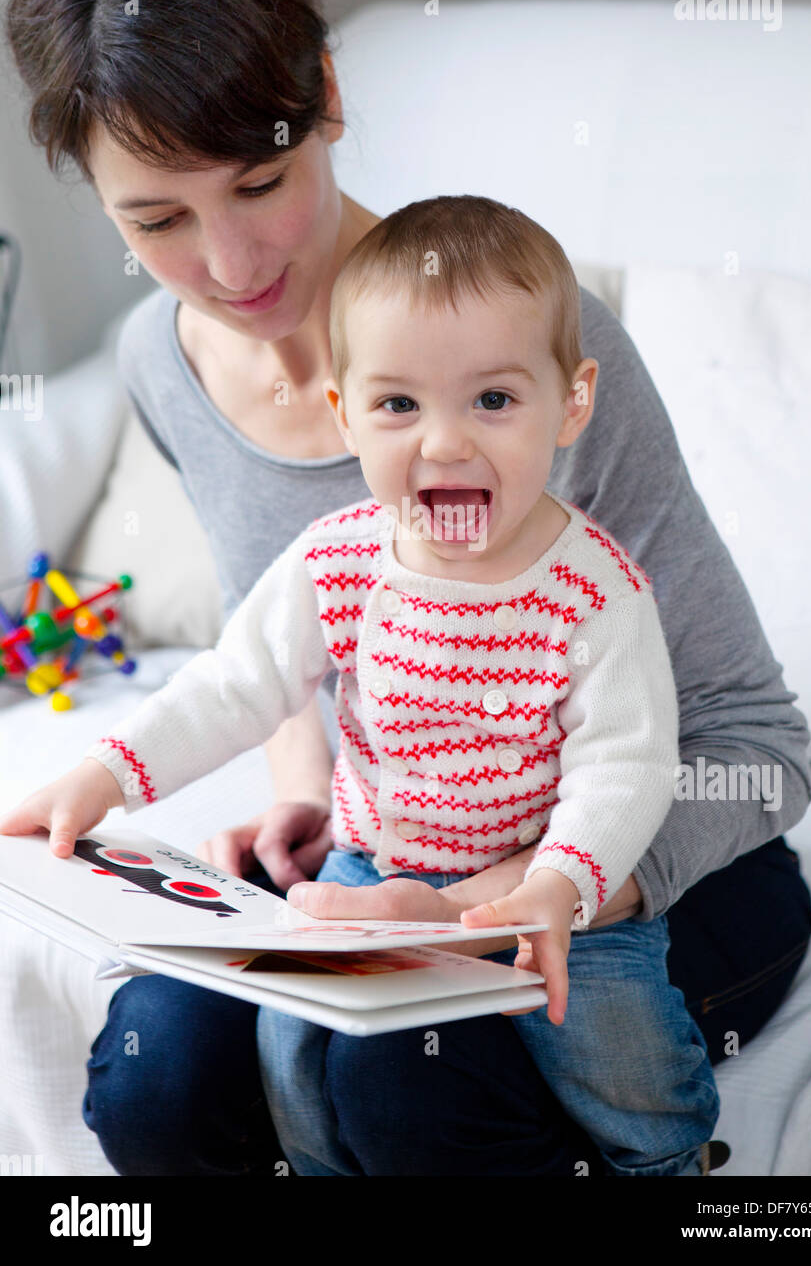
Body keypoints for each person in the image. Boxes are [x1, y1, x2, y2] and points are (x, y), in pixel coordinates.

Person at [3, 0, 811, 1177]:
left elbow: (755, 746)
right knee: (162, 1080)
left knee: (404, 1086)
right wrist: (305, 802)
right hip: (388, 854)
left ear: (325, 93)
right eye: (155, 219)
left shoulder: (521, 354)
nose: (229, 265)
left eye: (261, 180)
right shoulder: (163, 362)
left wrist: (508, 900)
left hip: (647, 876)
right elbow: (284, 647)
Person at [2, 194, 724, 1177]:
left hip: (541, 870)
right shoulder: (336, 561)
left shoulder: (592, 586)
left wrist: (561, 881)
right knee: (292, 1046)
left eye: (493, 400)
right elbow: (234, 686)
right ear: (345, 413)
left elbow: (624, 761)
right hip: (365, 861)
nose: (442, 442)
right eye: (398, 404)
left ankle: (669, 1162)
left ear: (573, 402)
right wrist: (105, 775)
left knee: (615, 1047)